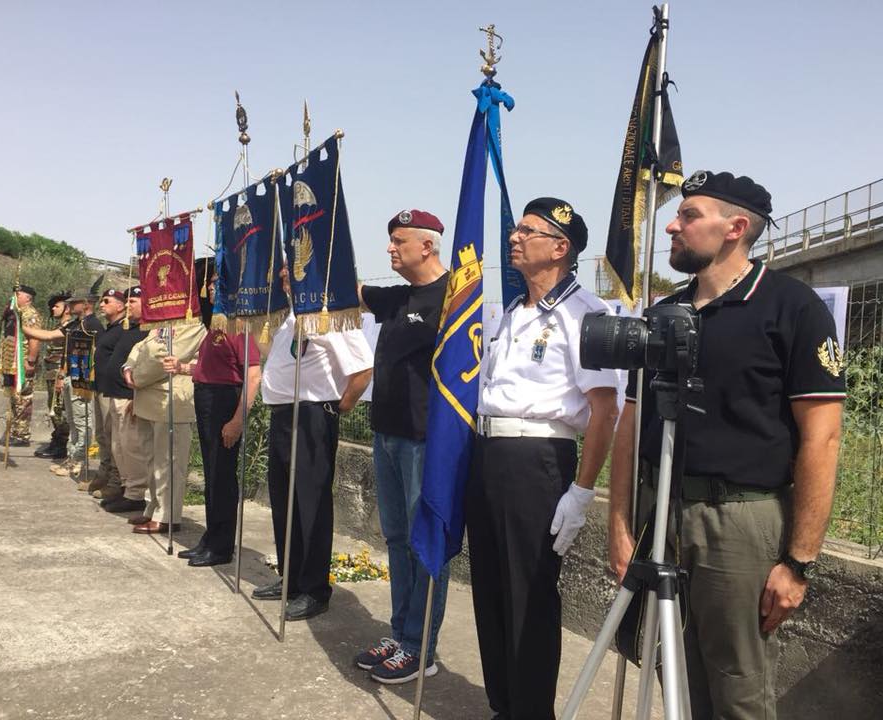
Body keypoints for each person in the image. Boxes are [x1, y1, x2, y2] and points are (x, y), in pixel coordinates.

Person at [607, 171, 845, 719]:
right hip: (662, 511)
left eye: (689, 215)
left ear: (735, 227)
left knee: (737, 683)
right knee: (673, 673)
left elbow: (822, 437)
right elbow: (631, 423)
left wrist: (799, 561)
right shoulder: (664, 315)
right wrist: (620, 524)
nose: (671, 223)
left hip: (739, 518)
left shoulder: (792, 307)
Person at [467, 198, 620, 720]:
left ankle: (532, 712)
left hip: (536, 461)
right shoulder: (513, 311)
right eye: (515, 229)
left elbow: (605, 412)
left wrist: (581, 491)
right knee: (489, 588)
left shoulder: (587, 316)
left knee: (528, 594)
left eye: (527, 231)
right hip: (489, 453)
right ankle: (502, 705)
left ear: (560, 247)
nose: (513, 237)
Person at [353, 209, 451, 684]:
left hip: (425, 440)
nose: (390, 249)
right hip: (387, 434)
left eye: (398, 241)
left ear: (426, 246)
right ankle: (400, 633)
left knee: (422, 544)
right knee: (394, 540)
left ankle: (420, 647)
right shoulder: (398, 298)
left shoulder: (454, 297)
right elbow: (342, 293)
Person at [252, 269, 373, 620]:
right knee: (284, 499)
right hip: (283, 414)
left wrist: (337, 408)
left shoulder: (331, 313)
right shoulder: (291, 314)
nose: (285, 279)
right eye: (284, 275)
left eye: (295, 273)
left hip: (312, 415)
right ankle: (290, 579)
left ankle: (315, 588)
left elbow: (363, 368)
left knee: (310, 502)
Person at [170, 260, 262, 567]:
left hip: (224, 401)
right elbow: (209, 368)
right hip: (206, 396)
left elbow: (252, 375)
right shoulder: (215, 326)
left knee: (222, 476)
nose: (211, 287)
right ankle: (211, 537)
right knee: (212, 474)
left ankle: (222, 546)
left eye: (217, 283)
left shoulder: (239, 326)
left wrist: (237, 421)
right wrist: (185, 368)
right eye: (209, 283)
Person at [122, 319, 206, 534]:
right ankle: (153, 508)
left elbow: (161, 358)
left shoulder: (193, 323)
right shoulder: (164, 320)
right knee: (153, 461)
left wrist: (137, 377)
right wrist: (128, 366)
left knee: (169, 463)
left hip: (172, 400)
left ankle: (168, 516)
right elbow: (141, 346)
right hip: (149, 400)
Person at [24, 289, 104, 480]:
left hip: (82, 379)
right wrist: (22, 325)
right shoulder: (77, 324)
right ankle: (72, 457)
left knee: (82, 422)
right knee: (73, 422)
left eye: (74, 302)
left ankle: (78, 461)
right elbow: (50, 335)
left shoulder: (93, 325)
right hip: (70, 376)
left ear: (86, 304)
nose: (70, 305)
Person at [99, 286, 150, 514]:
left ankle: (136, 494)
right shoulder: (131, 327)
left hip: (129, 397)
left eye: (133, 302)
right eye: (127, 302)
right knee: (118, 447)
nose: (128, 306)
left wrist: (135, 396)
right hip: (115, 394)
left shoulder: (148, 330)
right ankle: (126, 488)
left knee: (131, 448)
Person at [90, 288, 130, 501]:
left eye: (107, 301)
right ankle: (105, 473)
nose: (102, 305)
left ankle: (117, 480)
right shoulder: (110, 328)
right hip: (101, 387)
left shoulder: (124, 329)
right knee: (102, 435)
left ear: (120, 305)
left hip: (113, 390)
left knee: (114, 437)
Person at [0, 284, 41, 447]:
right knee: (13, 398)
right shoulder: (14, 313)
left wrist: (31, 360)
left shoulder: (30, 313)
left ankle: (22, 434)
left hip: (22, 363)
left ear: (27, 298)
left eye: (18, 294)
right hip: (10, 362)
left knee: (23, 397)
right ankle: (12, 430)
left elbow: (34, 339)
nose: (14, 296)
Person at [34, 291, 71, 460]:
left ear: (67, 308)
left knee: (58, 410)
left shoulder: (69, 326)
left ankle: (61, 445)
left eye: (57, 306)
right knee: (54, 409)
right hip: (52, 373)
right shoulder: (60, 326)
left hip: (59, 373)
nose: (53, 309)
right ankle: (58, 440)